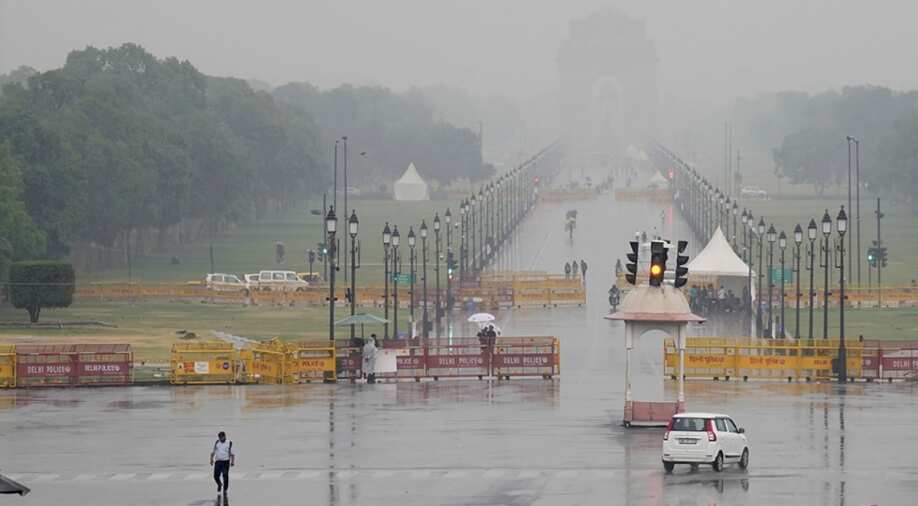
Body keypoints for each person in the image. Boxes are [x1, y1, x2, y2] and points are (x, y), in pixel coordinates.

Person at [210, 431, 235, 495]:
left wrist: (232, 462)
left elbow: (232, 454)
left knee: (225, 475)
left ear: (224, 436)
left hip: (225, 462)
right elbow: (213, 452)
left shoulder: (229, 443)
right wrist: (211, 460)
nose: (221, 439)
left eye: (222, 437)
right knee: (215, 476)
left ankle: (225, 489)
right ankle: (219, 484)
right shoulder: (217, 442)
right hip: (218, 461)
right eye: (220, 438)